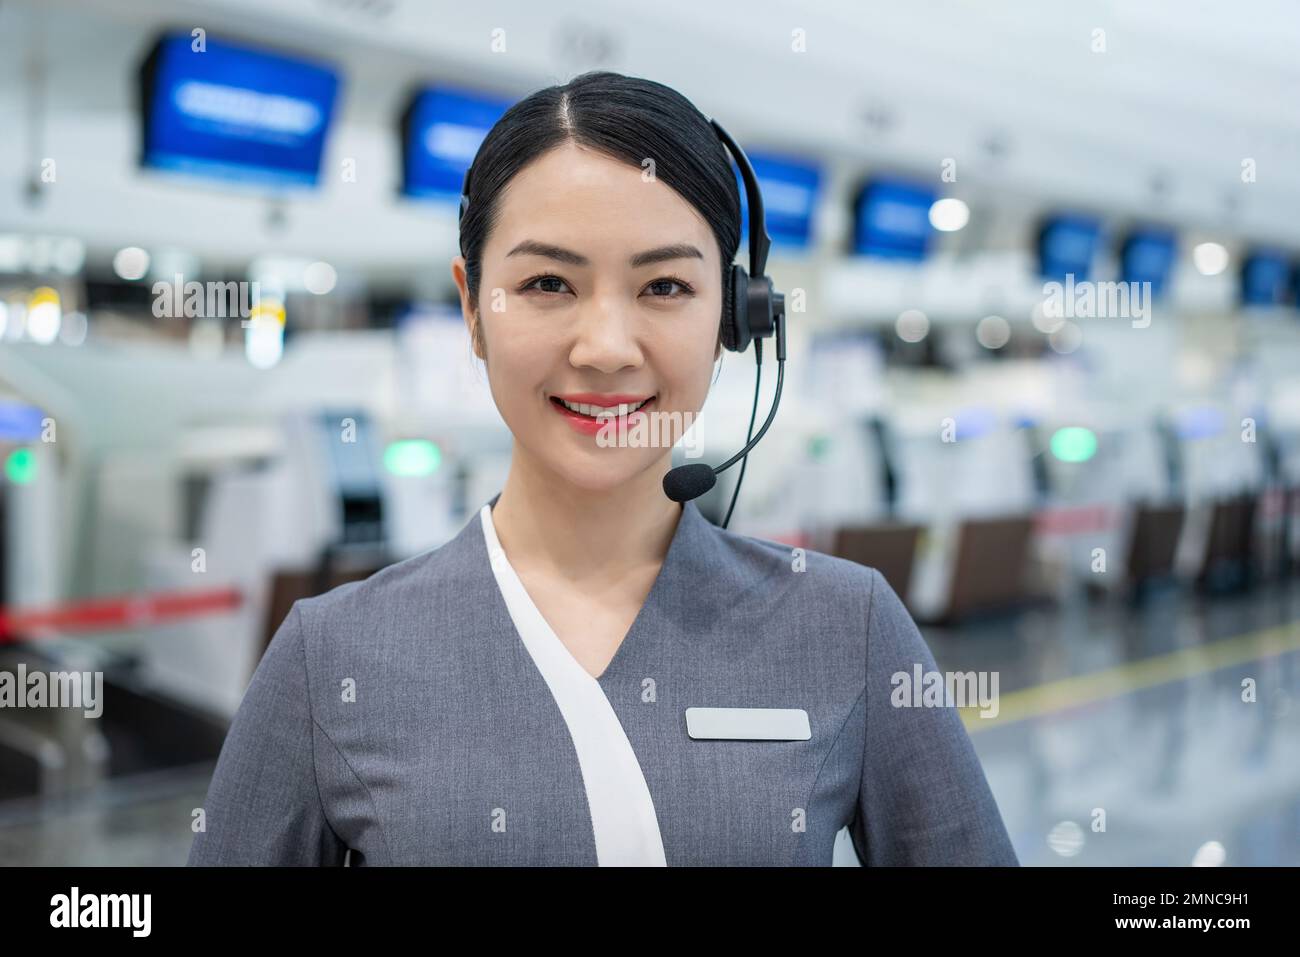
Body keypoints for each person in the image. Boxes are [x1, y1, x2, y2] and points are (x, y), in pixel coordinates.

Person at [188, 70, 1018, 866]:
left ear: (735, 316)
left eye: (663, 286)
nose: (607, 348)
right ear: (473, 308)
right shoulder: (330, 657)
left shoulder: (847, 628)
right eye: (549, 282)